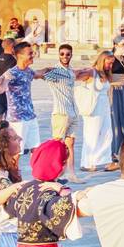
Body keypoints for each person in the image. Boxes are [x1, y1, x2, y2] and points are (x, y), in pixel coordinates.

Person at [42, 44, 87, 182]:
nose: (65, 56)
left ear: (71, 55)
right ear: (58, 55)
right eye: (62, 54)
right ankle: (51, 174)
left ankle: (71, 174)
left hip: (73, 112)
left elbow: (78, 74)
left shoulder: (71, 72)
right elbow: (41, 75)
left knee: (70, 144)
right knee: (56, 145)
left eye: (68, 54)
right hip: (60, 113)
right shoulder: (55, 71)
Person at [75, 52, 116, 173]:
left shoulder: (105, 74)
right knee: (92, 134)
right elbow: (75, 76)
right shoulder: (91, 72)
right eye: (109, 62)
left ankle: (103, 161)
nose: (110, 65)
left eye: (112, 63)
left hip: (104, 107)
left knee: (107, 134)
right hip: (94, 107)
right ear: (102, 60)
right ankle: (88, 162)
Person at [0, 43, 42, 153]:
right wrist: (3, 83)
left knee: (36, 150)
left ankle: (36, 170)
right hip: (17, 119)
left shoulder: (28, 71)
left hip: (31, 116)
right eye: (30, 53)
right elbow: (1, 87)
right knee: (16, 153)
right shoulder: (11, 73)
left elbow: (38, 74)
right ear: (20, 55)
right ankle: (13, 171)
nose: (33, 55)